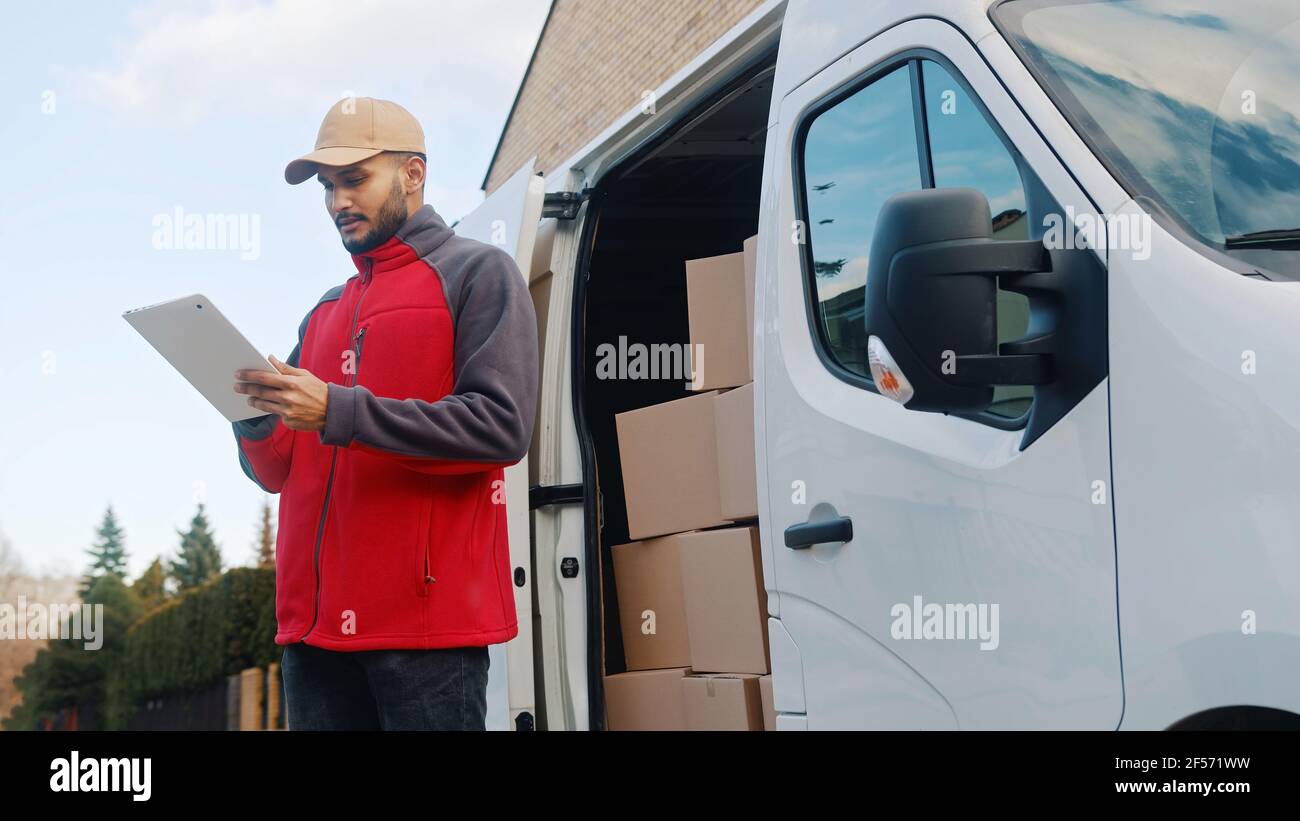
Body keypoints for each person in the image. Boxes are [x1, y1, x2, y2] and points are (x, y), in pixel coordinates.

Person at [231, 97, 538, 731]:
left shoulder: (480, 273)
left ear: (413, 175)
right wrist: (252, 417)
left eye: (354, 180)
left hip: (423, 636)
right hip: (312, 635)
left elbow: (499, 426)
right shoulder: (322, 311)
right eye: (327, 187)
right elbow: (278, 471)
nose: (336, 202)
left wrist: (339, 410)